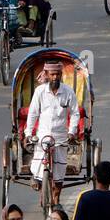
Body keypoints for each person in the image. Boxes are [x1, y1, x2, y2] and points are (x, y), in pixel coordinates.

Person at [25, 60, 80, 207]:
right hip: (43, 135)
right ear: (47, 75)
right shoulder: (40, 92)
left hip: (61, 136)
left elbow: (75, 114)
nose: (55, 77)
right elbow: (32, 114)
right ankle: (37, 179)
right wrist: (28, 133)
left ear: (61, 75)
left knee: (60, 169)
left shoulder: (68, 92)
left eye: (58, 74)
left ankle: (57, 199)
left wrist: (72, 132)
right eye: (52, 74)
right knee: (38, 159)